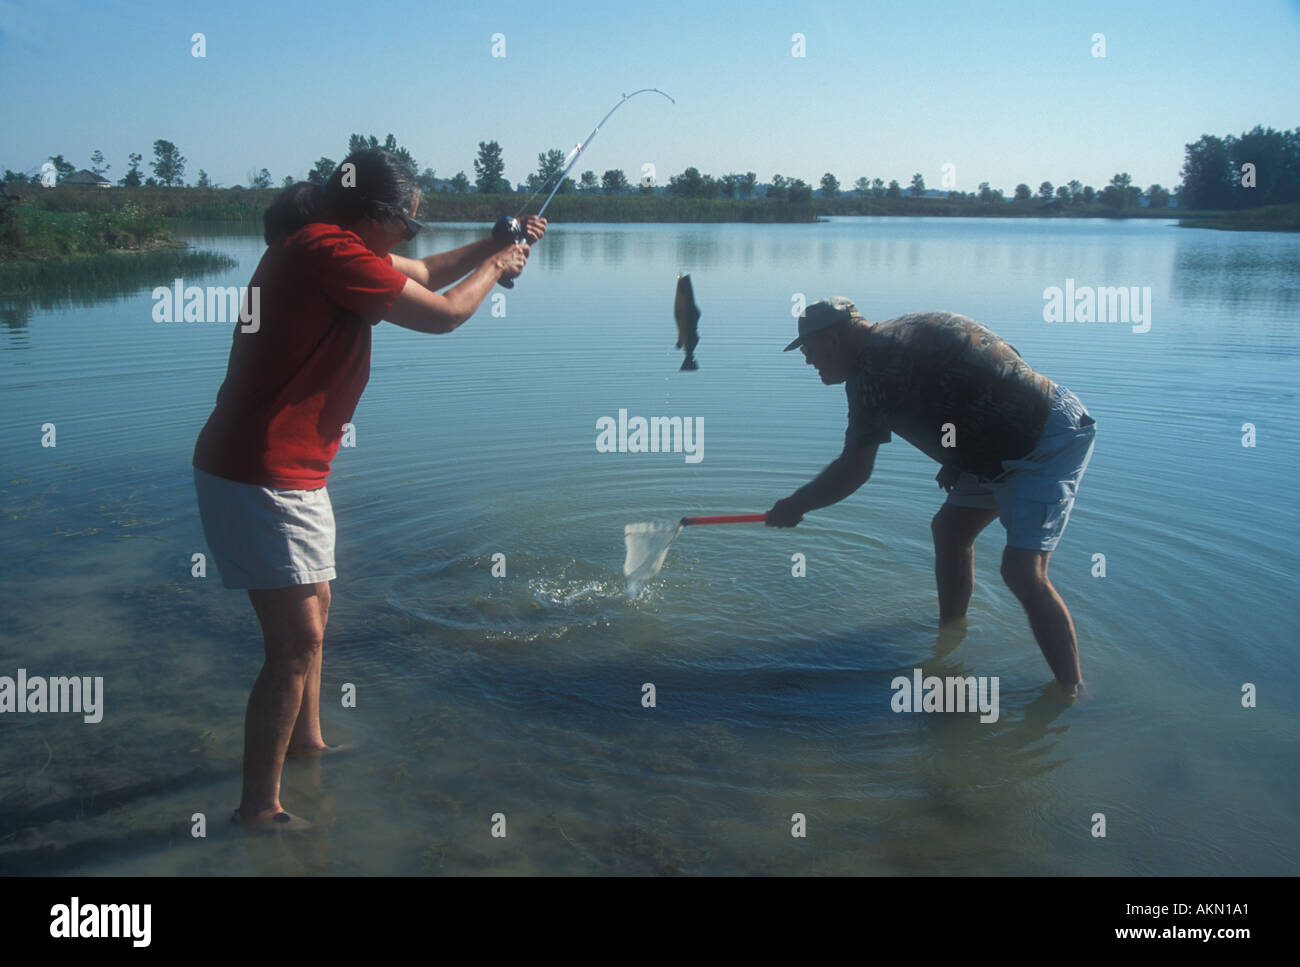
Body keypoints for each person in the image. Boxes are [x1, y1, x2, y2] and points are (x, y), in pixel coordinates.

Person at [192, 149, 545, 829]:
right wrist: (498, 268)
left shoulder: (333, 244)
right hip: (262, 473)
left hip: (293, 470)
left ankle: (309, 746)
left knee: (314, 620)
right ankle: (257, 811)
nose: (411, 239)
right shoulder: (329, 252)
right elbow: (442, 313)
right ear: (376, 216)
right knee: (293, 643)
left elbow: (426, 272)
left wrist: (498, 242)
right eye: (408, 225)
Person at [766, 298, 1097, 695]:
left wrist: (796, 505)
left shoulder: (871, 372)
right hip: (994, 447)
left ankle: (1072, 692)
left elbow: (854, 469)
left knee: (1022, 570)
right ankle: (951, 638)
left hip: (1043, 443)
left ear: (832, 340)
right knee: (951, 529)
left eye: (808, 350)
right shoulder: (914, 326)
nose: (808, 361)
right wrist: (959, 451)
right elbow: (999, 362)